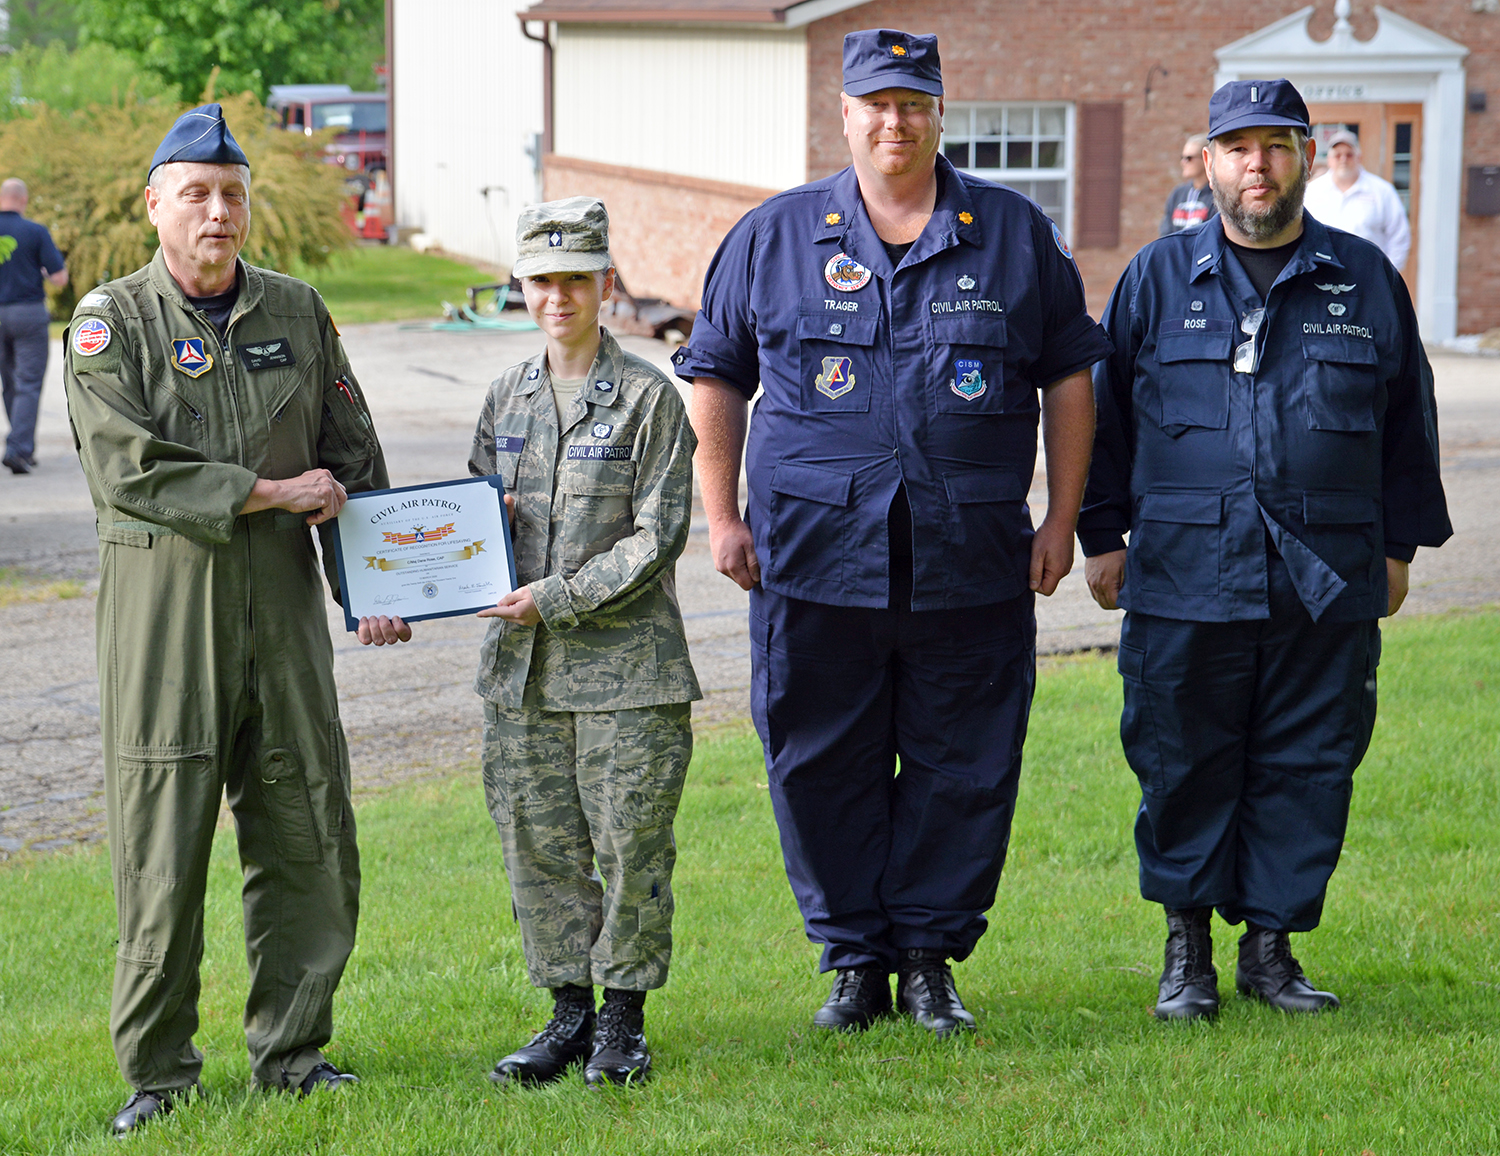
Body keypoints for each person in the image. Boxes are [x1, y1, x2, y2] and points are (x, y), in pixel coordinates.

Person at [673, 29, 1110, 1037]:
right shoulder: (774, 238)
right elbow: (715, 374)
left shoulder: (1010, 233)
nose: (893, 122)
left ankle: (927, 959)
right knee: (819, 757)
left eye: (912, 103)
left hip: (971, 557)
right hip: (813, 559)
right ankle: (853, 959)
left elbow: (1070, 377)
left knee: (966, 759)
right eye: (875, 103)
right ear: (844, 114)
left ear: (939, 112)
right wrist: (723, 513)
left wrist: (1062, 517)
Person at [63, 104, 410, 1135]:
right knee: (160, 849)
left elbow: (354, 455)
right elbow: (128, 470)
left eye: (234, 193)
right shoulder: (109, 321)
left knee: (307, 829)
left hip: (285, 623)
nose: (218, 210)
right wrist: (269, 494)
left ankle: (294, 1052)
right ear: (155, 204)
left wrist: (373, 583)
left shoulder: (299, 313)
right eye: (198, 192)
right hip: (164, 627)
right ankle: (160, 1072)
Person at [1079, 80, 1450, 1022]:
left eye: (1278, 146)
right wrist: (1099, 535)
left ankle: (1272, 953)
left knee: (1309, 759)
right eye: (1238, 147)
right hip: (1181, 574)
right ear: (1207, 160)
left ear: (1309, 156)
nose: (1259, 165)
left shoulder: (1362, 279)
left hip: (1325, 578)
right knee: (1180, 759)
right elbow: (1105, 418)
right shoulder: (1156, 279)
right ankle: (1187, 952)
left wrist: (1399, 545)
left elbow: (1408, 421)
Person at [467, 197, 700, 1087]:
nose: (557, 296)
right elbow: (470, 525)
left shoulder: (647, 397)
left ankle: (624, 1022)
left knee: (631, 847)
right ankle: (567, 1014)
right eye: (541, 281)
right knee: (539, 846)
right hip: (518, 680)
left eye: (575, 278)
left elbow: (659, 534)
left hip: (627, 675)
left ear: (605, 283)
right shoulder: (505, 397)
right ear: (520, 287)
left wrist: (558, 597)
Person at [0, 178, 67, 473]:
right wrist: (41, 271)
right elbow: (59, 278)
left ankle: (19, 443)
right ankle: (18, 448)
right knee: (28, 383)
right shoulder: (35, 231)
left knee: (9, 382)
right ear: (23, 200)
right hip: (27, 313)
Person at [1303, 130, 1411, 271]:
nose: (1343, 160)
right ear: (1329, 160)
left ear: (1359, 157)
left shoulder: (1382, 191)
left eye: (1349, 154)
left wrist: (1388, 276)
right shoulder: (1312, 191)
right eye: (1338, 155)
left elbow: (1399, 237)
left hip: (1369, 276)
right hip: (1321, 275)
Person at [1159, 134, 1217, 236]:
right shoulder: (1178, 193)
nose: (1183, 162)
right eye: (1182, 157)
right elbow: (1166, 231)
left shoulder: (1216, 194)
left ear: (1206, 159)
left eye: (1189, 158)